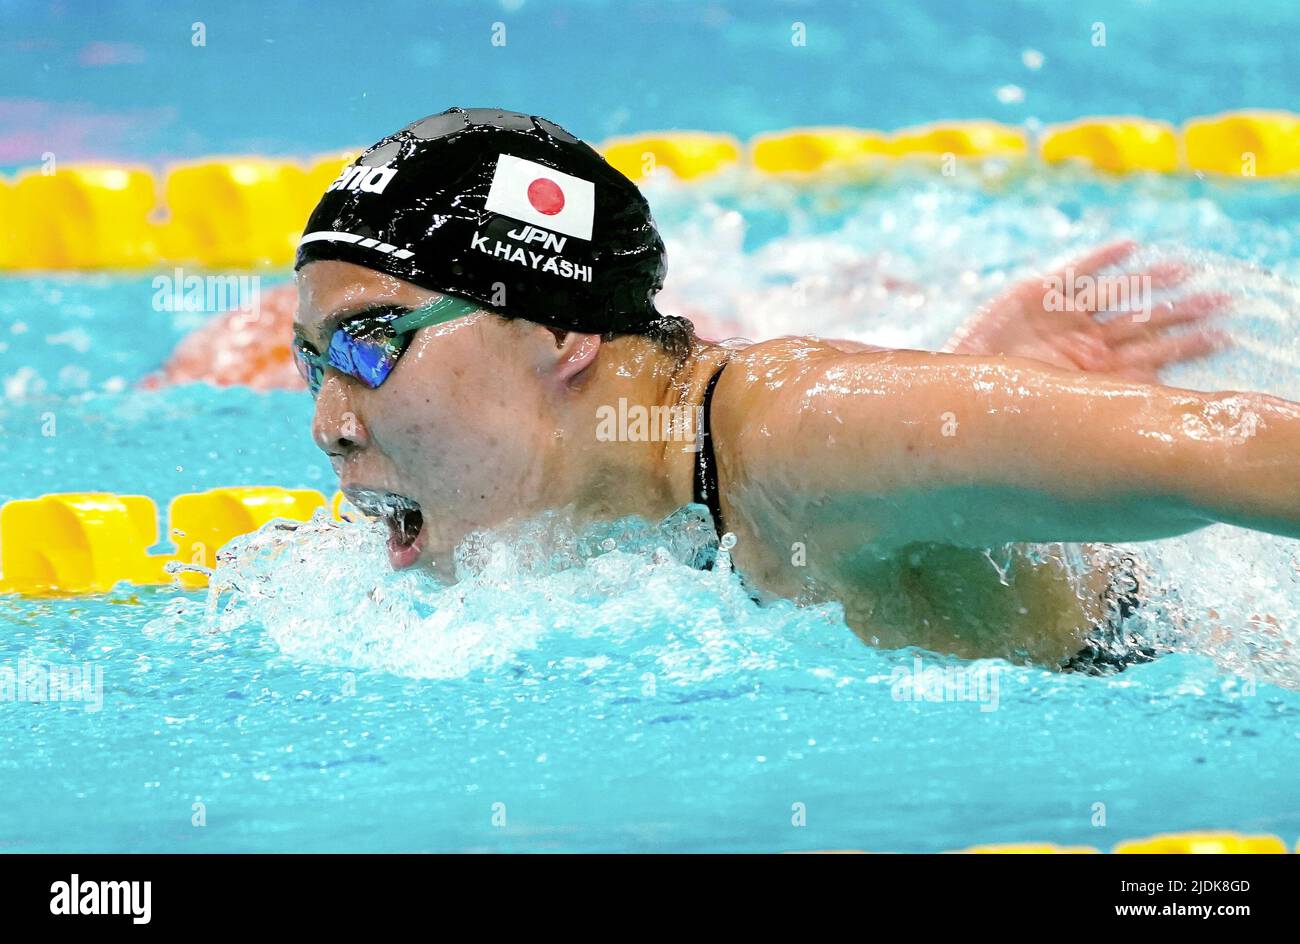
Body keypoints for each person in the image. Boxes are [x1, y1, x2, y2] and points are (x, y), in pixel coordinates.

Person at [283, 108, 1295, 670]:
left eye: (370, 343)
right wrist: (963, 394)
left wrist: (943, 422)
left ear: (560, 329)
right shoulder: (597, 483)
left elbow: (1239, 450)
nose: (329, 424)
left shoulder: (801, 440)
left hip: (1178, 670)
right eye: (314, 362)